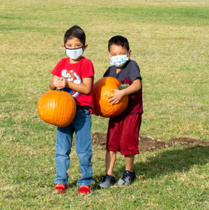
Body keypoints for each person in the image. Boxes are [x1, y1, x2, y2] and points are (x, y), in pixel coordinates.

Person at [50, 25, 95, 195]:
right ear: (64, 47)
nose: (73, 49)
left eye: (77, 46)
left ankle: (85, 181)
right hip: (63, 112)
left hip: (82, 112)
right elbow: (52, 84)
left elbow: (87, 88)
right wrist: (56, 83)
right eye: (70, 46)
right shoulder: (61, 63)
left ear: (84, 47)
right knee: (62, 149)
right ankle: (60, 181)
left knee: (83, 151)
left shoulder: (86, 63)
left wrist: (68, 83)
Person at [97, 35, 144, 189]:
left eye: (122, 54)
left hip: (131, 113)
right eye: (115, 55)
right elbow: (101, 92)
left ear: (129, 53)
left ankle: (129, 172)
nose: (118, 57)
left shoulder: (131, 66)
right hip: (115, 114)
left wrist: (122, 93)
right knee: (111, 145)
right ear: (109, 55)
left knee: (127, 144)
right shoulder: (110, 71)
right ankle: (109, 175)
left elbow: (137, 85)